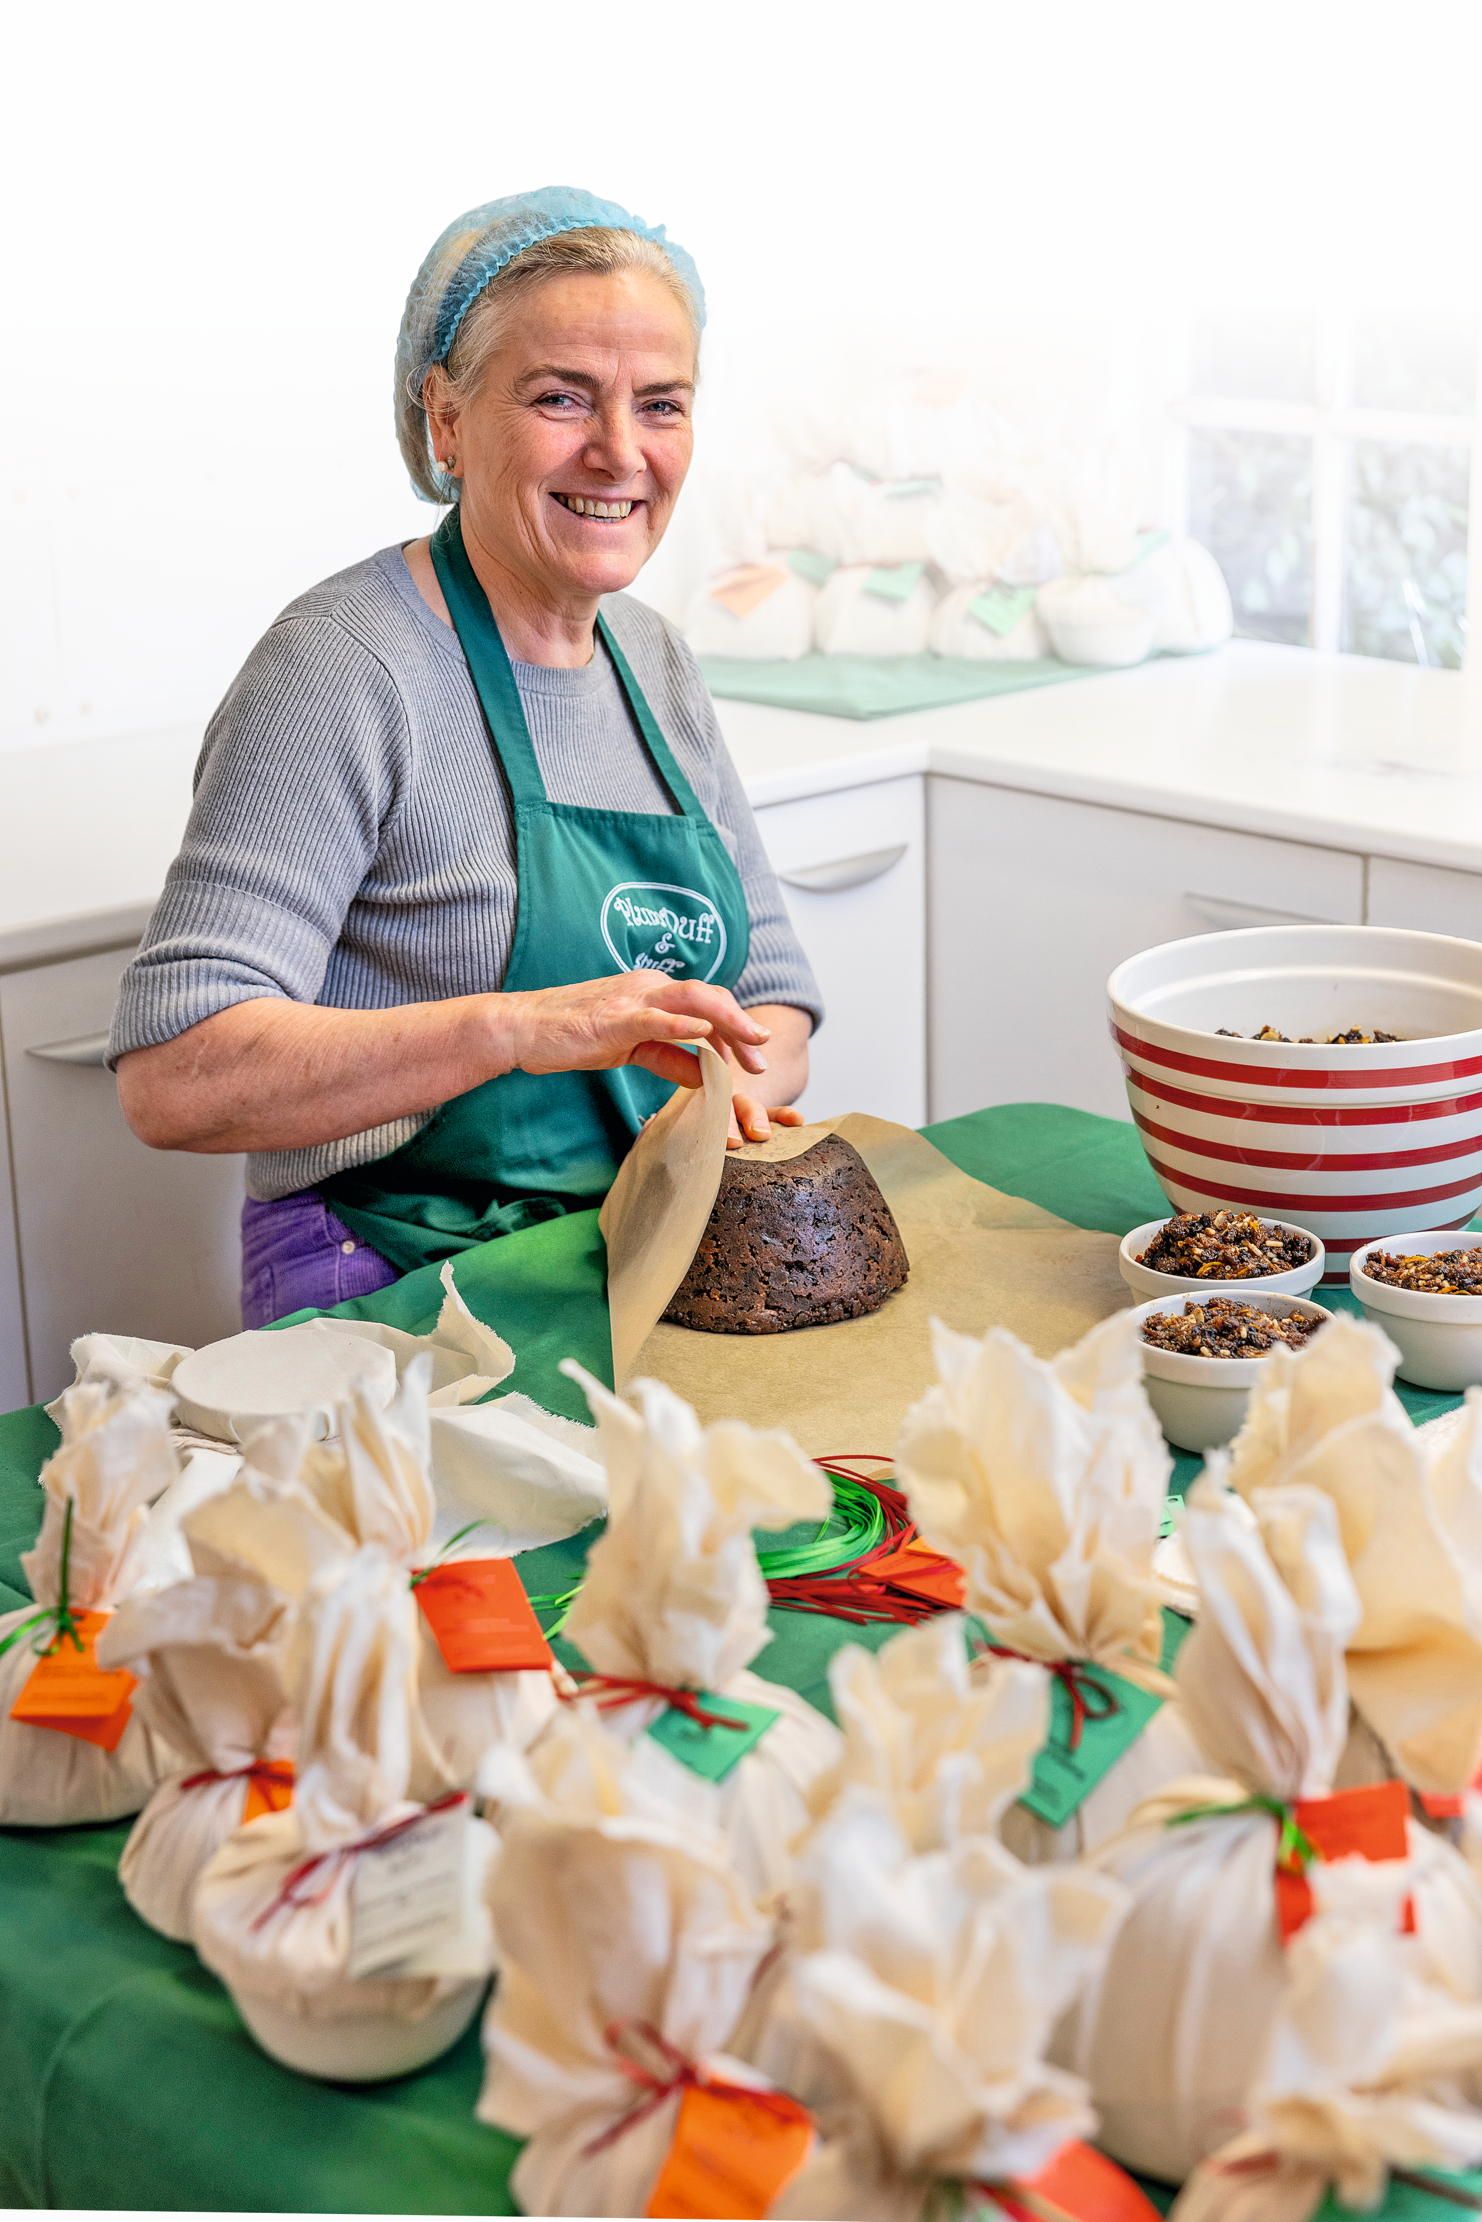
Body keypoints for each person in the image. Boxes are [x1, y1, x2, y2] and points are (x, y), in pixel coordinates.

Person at [110, 187, 821, 1328]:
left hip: (632, 1246)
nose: (620, 452)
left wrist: (718, 1099)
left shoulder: (656, 660)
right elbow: (172, 1073)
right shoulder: (345, 666)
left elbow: (774, 1000)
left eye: (662, 404)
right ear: (444, 419)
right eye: (561, 397)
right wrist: (520, 1030)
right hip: (385, 1266)